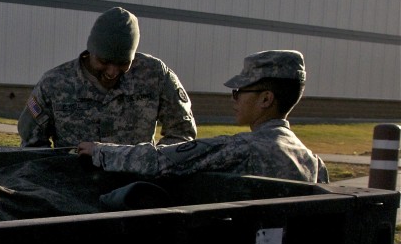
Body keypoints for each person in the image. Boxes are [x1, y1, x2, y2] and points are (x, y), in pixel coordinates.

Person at [77, 50, 328, 184]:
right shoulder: (313, 164)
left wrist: (100, 151)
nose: (235, 98)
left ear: (266, 99)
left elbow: (162, 160)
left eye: (240, 91)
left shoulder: (242, 148)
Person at [19, 6, 196, 148]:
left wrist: (148, 163)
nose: (112, 72)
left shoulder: (155, 75)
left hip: (135, 185)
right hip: (72, 185)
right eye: (104, 61)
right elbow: (32, 144)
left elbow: (182, 133)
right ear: (91, 51)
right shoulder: (54, 83)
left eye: (122, 63)